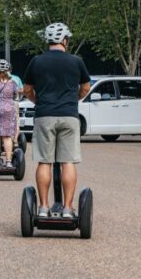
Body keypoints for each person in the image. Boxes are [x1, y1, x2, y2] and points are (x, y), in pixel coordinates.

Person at [23, 22, 91, 219]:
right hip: (69, 115)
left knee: (44, 161)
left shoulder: (36, 61)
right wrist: (73, 100)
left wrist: (39, 101)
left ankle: (43, 208)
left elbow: (27, 89)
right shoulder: (76, 61)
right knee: (67, 162)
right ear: (65, 40)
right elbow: (85, 87)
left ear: (48, 41)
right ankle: (68, 209)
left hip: (44, 115)